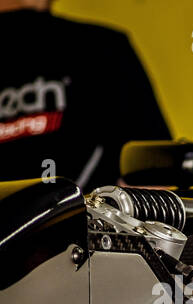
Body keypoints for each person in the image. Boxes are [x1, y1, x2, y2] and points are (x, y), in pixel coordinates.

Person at [0, 0, 170, 188]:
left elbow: (156, 174)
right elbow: (156, 172)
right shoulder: (105, 48)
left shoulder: (106, 50)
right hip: (89, 212)